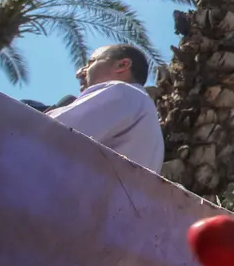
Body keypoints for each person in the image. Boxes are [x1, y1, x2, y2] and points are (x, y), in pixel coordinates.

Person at [48, 44, 165, 174]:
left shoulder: (122, 92)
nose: (79, 73)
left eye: (91, 63)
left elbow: (49, 132)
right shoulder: (143, 109)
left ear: (122, 65)